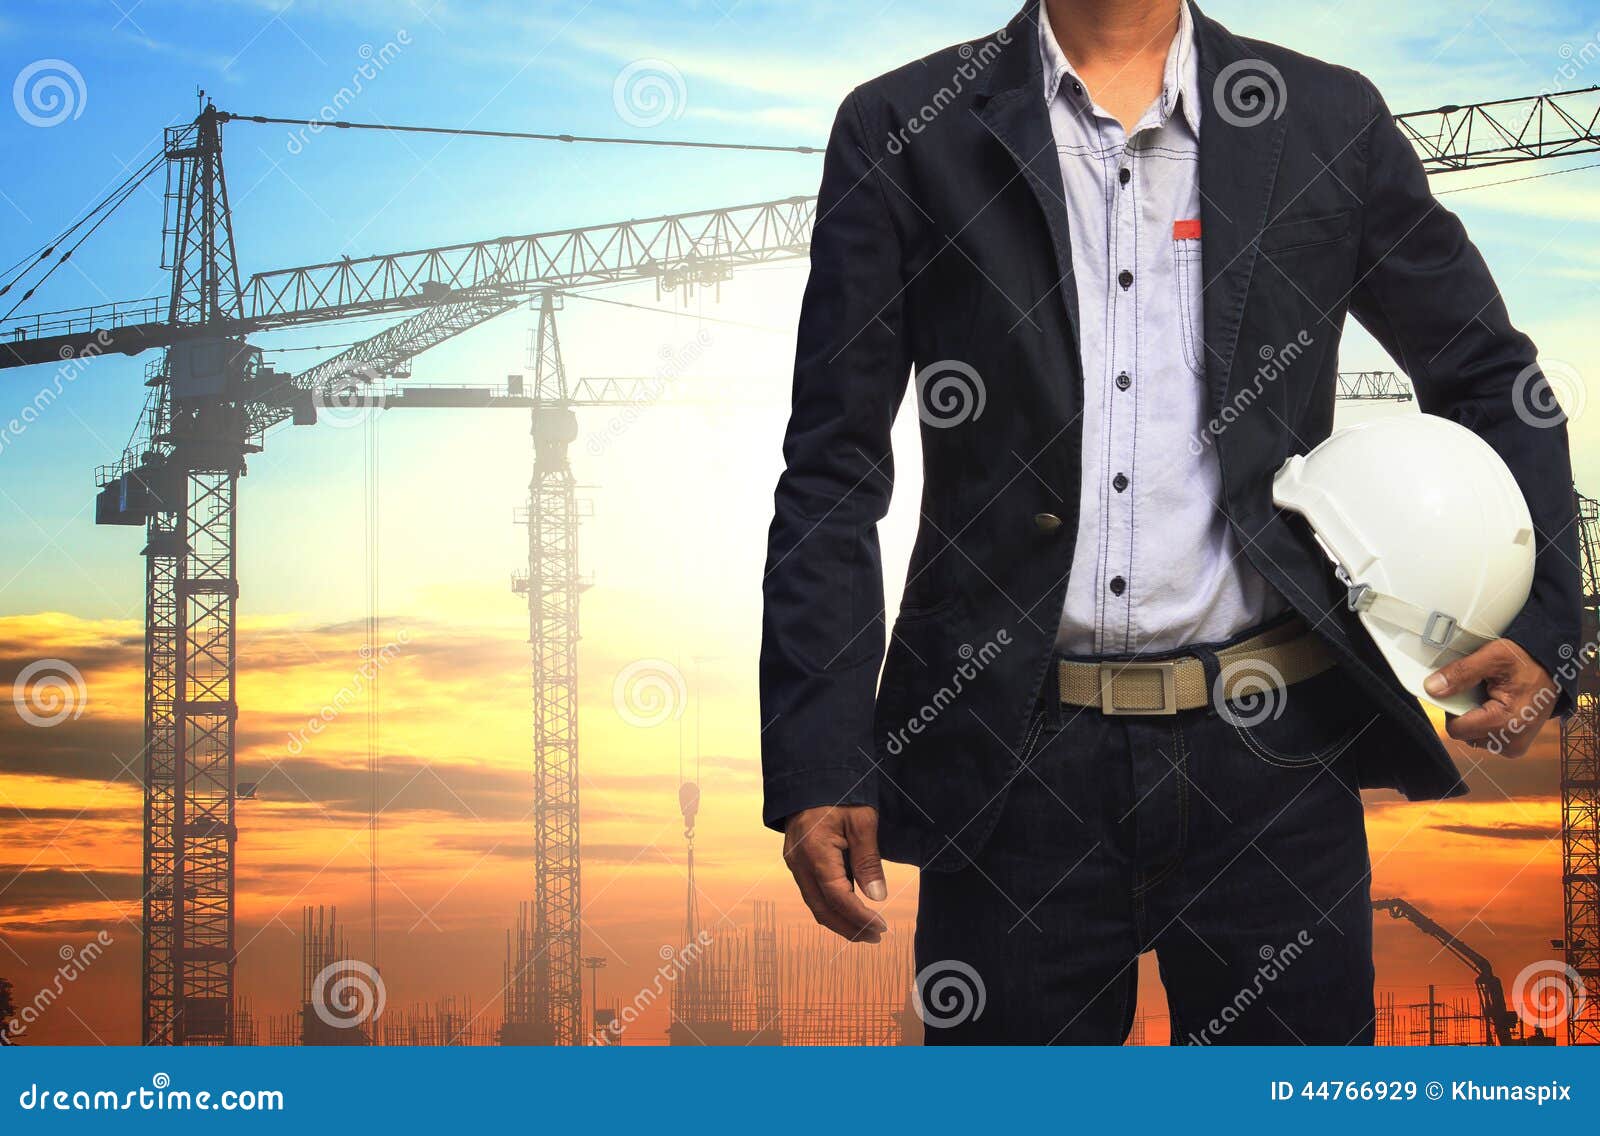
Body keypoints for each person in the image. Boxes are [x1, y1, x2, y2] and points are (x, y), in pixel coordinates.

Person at [759, 0, 1582, 1044]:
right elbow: (831, 466)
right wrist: (819, 757)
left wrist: (1549, 619)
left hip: (1275, 756)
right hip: (1012, 764)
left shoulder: (1327, 119)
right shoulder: (904, 127)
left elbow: (1489, 375)